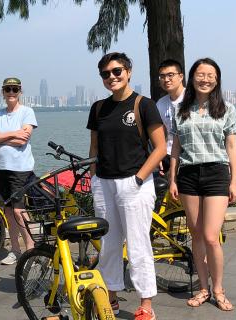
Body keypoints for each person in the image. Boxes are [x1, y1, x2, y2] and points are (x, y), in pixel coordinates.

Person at [86, 52, 167, 320]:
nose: (112, 77)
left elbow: (160, 148)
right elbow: (94, 147)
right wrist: (93, 177)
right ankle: (110, 295)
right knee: (108, 244)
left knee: (137, 244)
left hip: (135, 182)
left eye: (117, 71)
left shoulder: (144, 105)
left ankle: (146, 304)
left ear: (129, 71)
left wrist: (139, 178)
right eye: (106, 74)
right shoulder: (98, 107)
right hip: (104, 183)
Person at [168, 58, 236, 312]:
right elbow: (176, 147)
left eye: (210, 75)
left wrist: (234, 180)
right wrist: (172, 178)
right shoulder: (181, 109)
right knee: (196, 235)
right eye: (200, 74)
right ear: (192, 77)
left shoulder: (226, 109)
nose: (205, 79)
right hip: (188, 175)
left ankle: (218, 289)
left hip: (216, 173)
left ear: (217, 79)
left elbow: (231, 146)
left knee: (211, 236)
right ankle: (203, 288)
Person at [0, 77, 37, 265]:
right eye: (8, 89)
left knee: (19, 210)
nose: (11, 93)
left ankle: (31, 248)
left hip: (20, 169)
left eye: (15, 89)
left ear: (20, 91)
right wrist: (13, 133)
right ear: (3, 92)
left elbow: (23, 140)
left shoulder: (27, 112)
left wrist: (0, 137)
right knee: (7, 210)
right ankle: (15, 249)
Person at [155, 59, 186, 175]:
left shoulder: (192, 100)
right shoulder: (160, 104)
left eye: (170, 75)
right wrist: (158, 157)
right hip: (168, 155)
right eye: (162, 76)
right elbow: (161, 134)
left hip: (189, 156)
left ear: (181, 76)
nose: (166, 79)